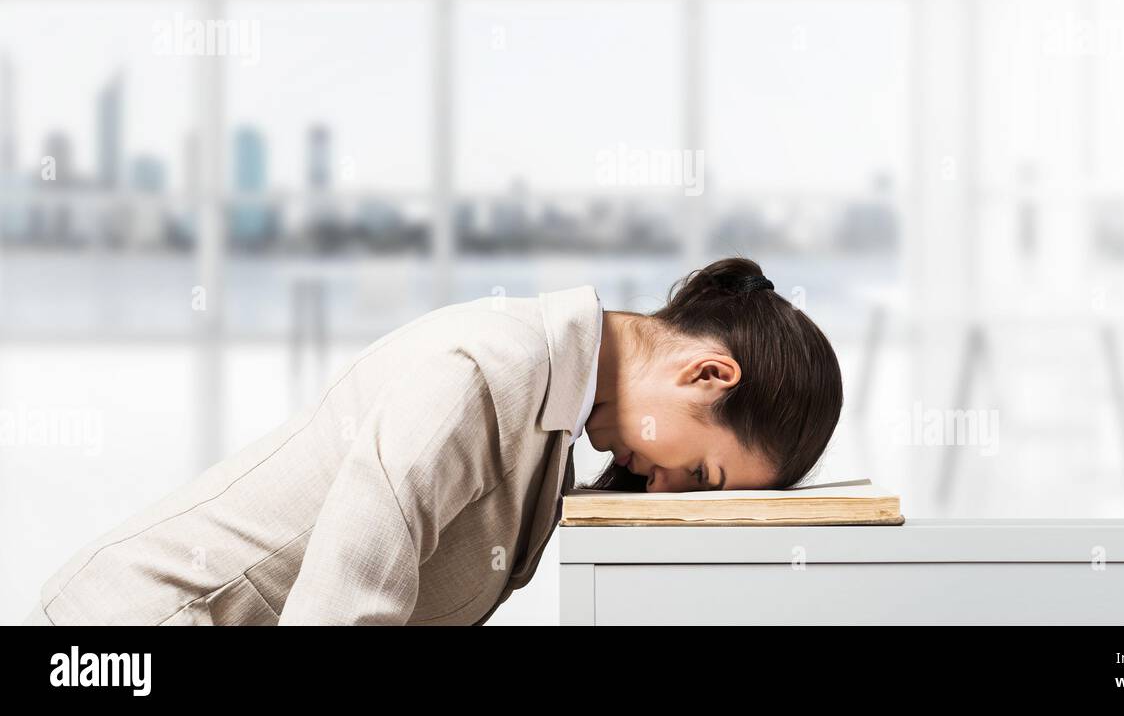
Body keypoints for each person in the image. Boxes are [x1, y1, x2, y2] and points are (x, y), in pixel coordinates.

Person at [23, 256, 843, 625]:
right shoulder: (484, 369)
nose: (667, 493)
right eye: (699, 474)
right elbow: (341, 606)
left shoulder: (550, 414)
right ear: (708, 376)